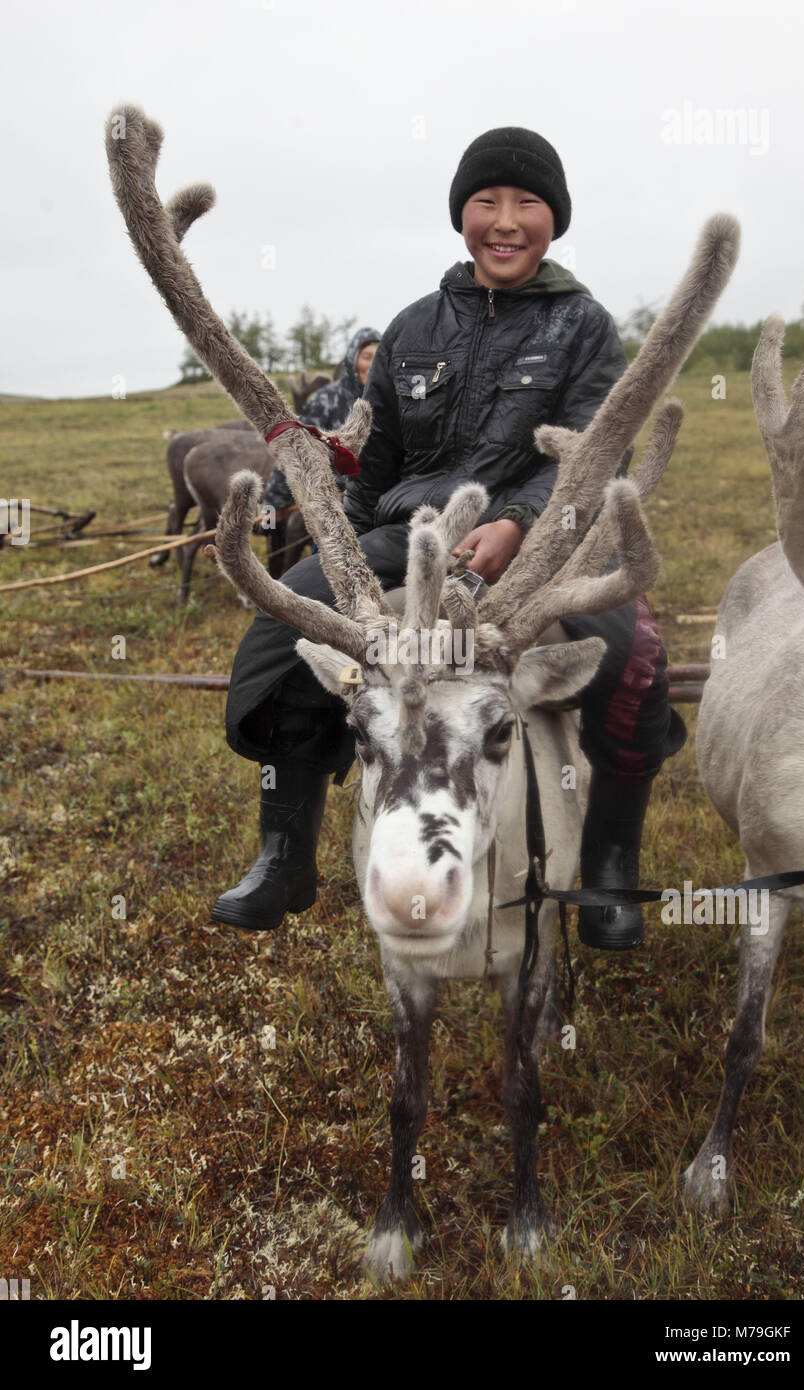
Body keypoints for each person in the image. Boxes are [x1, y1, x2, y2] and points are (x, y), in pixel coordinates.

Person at [212, 127, 685, 950]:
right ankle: (284, 852)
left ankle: (610, 864)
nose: (505, 221)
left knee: (634, 659)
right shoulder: (411, 328)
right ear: (461, 215)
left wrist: (520, 523)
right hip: (409, 538)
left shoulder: (585, 328)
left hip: (547, 547)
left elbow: (592, 453)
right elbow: (377, 465)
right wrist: (344, 557)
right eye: (486, 202)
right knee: (283, 640)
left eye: (527, 204)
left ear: (554, 219)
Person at [261, 327, 380, 516]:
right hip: (334, 508)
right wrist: (272, 507)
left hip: (379, 505)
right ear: (352, 359)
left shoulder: (391, 402)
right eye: (367, 357)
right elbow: (295, 450)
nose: (373, 365)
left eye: (379, 357)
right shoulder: (326, 400)